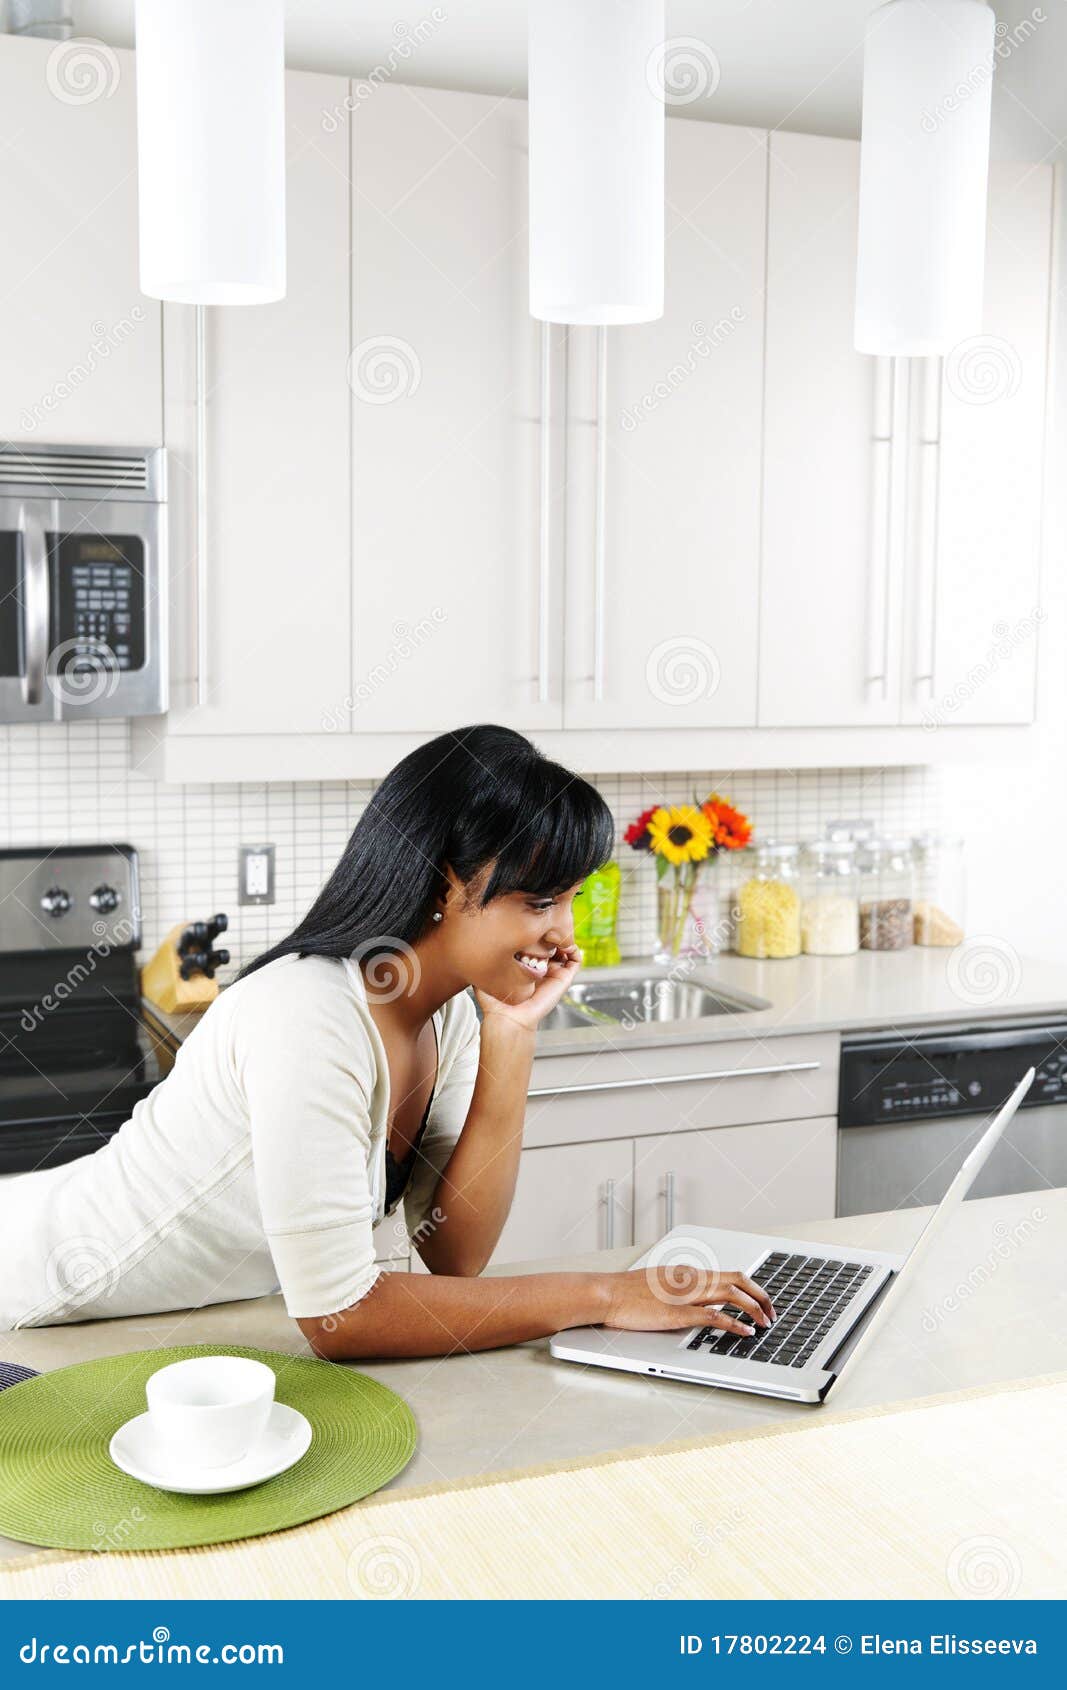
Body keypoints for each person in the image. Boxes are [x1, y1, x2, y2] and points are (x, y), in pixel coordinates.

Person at [0, 725, 773, 1353]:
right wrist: (605, 1294)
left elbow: (455, 1255)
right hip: (29, 1297)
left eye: (570, 900)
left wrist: (510, 1033)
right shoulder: (308, 1016)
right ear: (443, 884)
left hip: (140, 1320)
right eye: (540, 901)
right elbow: (341, 1318)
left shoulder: (450, 1013)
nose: (562, 936)